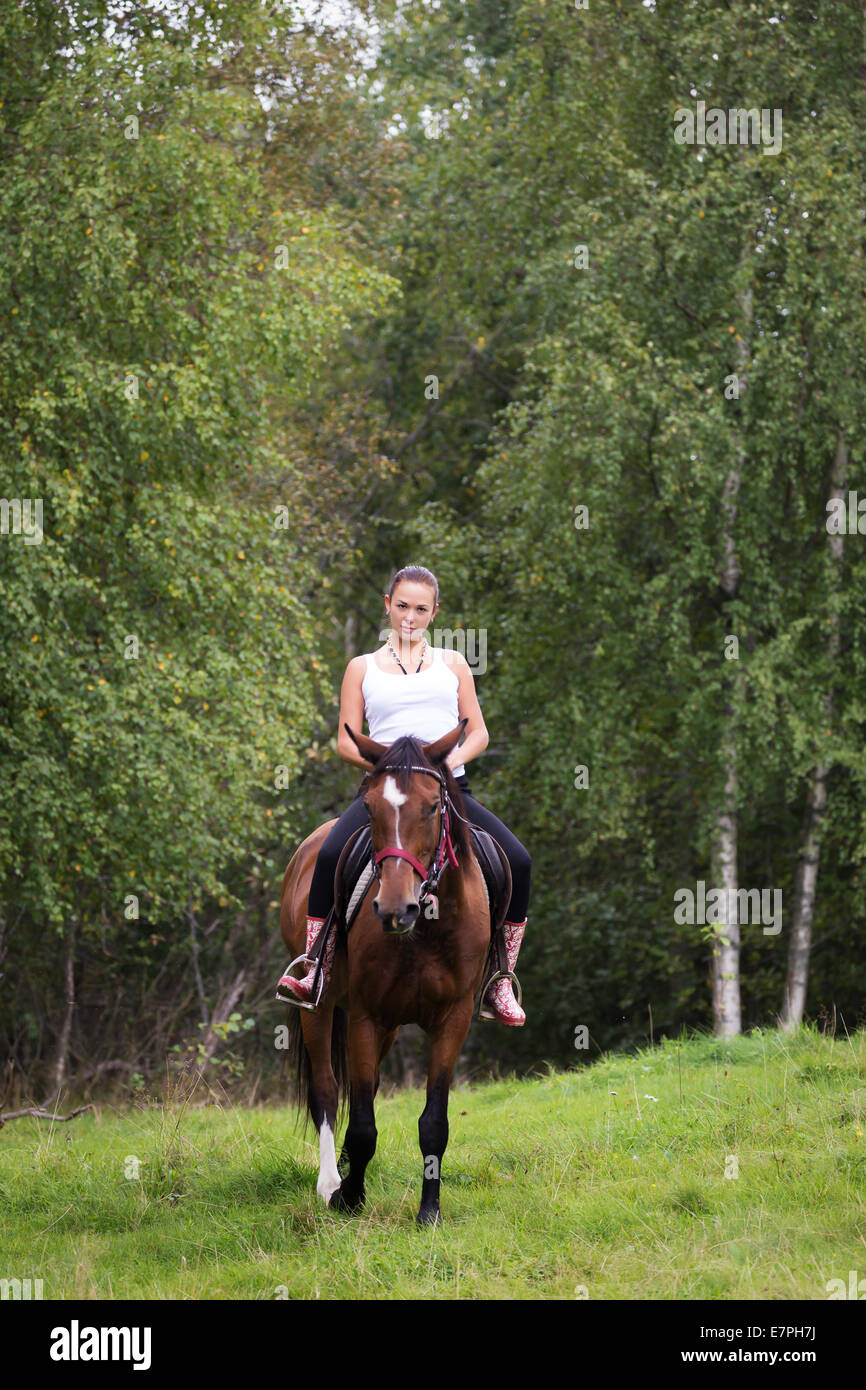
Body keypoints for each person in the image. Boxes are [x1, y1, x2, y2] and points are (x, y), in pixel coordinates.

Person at [276, 564, 530, 1025]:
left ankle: (500, 980)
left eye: (420, 608)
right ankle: (315, 966)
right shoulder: (362, 668)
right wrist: (392, 767)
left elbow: (479, 733)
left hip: (445, 792)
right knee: (331, 854)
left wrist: (444, 768)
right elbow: (345, 741)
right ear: (387, 606)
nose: (409, 617)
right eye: (401, 606)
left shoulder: (454, 664)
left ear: (434, 612)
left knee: (519, 860)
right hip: (386, 793)